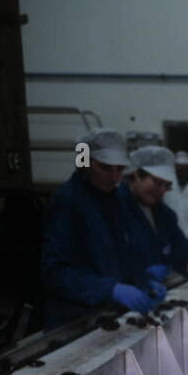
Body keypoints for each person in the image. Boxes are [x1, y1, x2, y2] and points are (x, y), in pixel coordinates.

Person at [40, 128, 152, 328]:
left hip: (108, 313)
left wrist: (143, 280)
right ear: (86, 162)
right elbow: (55, 273)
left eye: (119, 169)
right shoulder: (66, 202)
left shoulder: (116, 199)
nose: (113, 177)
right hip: (74, 318)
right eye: (105, 167)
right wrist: (110, 289)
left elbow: (126, 253)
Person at [116, 146, 188, 293]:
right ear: (136, 175)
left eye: (166, 186)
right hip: (123, 294)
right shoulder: (114, 207)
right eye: (157, 182)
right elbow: (105, 261)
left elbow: (181, 250)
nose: (161, 191)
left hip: (153, 292)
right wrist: (140, 276)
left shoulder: (163, 213)